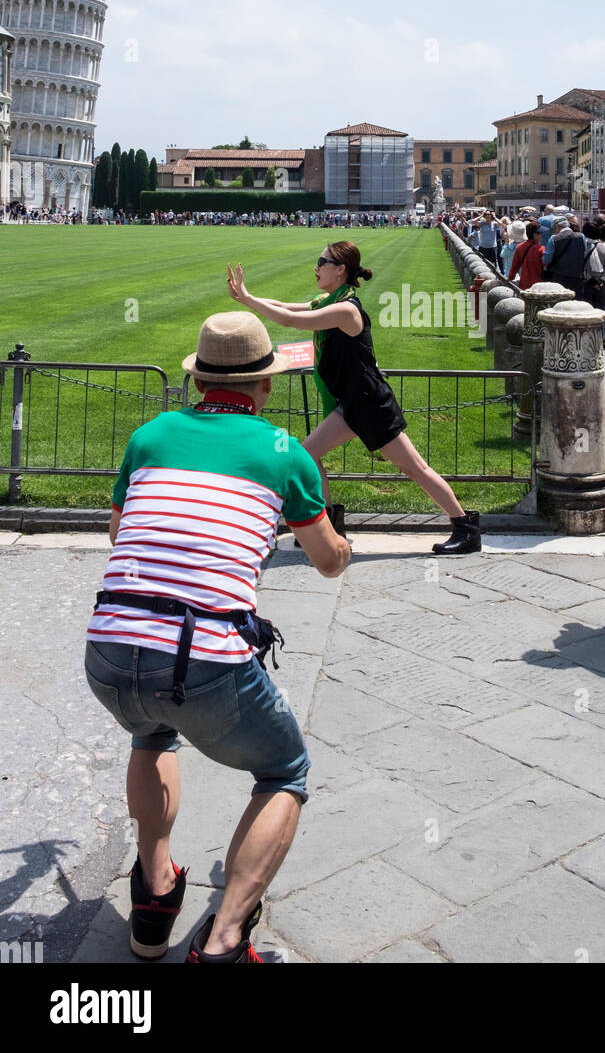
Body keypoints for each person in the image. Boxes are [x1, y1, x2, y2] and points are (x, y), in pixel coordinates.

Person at [84, 312, 351, 963]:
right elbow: (326, 559)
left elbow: (121, 534)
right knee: (284, 768)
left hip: (111, 648)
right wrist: (340, 542)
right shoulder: (283, 451)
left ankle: (153, 891)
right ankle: (227, 935)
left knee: (151, 730)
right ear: (266, 386)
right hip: (203, 659)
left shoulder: (148, 437)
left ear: (199, 380)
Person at [227, 242, 481, 555]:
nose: (317, 267)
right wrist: (244, 297)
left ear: (341, 269)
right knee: (306, 455)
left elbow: (289, 321)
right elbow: (286, 306)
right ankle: (331, 528)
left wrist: (249, 300)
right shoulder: (328, 301)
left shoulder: (346, 309)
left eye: (323, 261)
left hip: (369, 402)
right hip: (352, 402)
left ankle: (465, 528)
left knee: (414, 467)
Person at [547, 216, 587, 296]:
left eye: (552, 229)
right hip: (577, 277)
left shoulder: (553, 239)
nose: (552, 231)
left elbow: (546, 260)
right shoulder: (581, 236)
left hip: (559, 277)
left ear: (556, 226)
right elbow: (584, 254)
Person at [508, 220, 545, 288]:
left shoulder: (519, 247)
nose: (542, 235)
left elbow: (514, 266)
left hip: (524, 283)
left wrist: (510, 278)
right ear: (535, 235)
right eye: (540, 233)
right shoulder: (541, 249)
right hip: (538, 285)